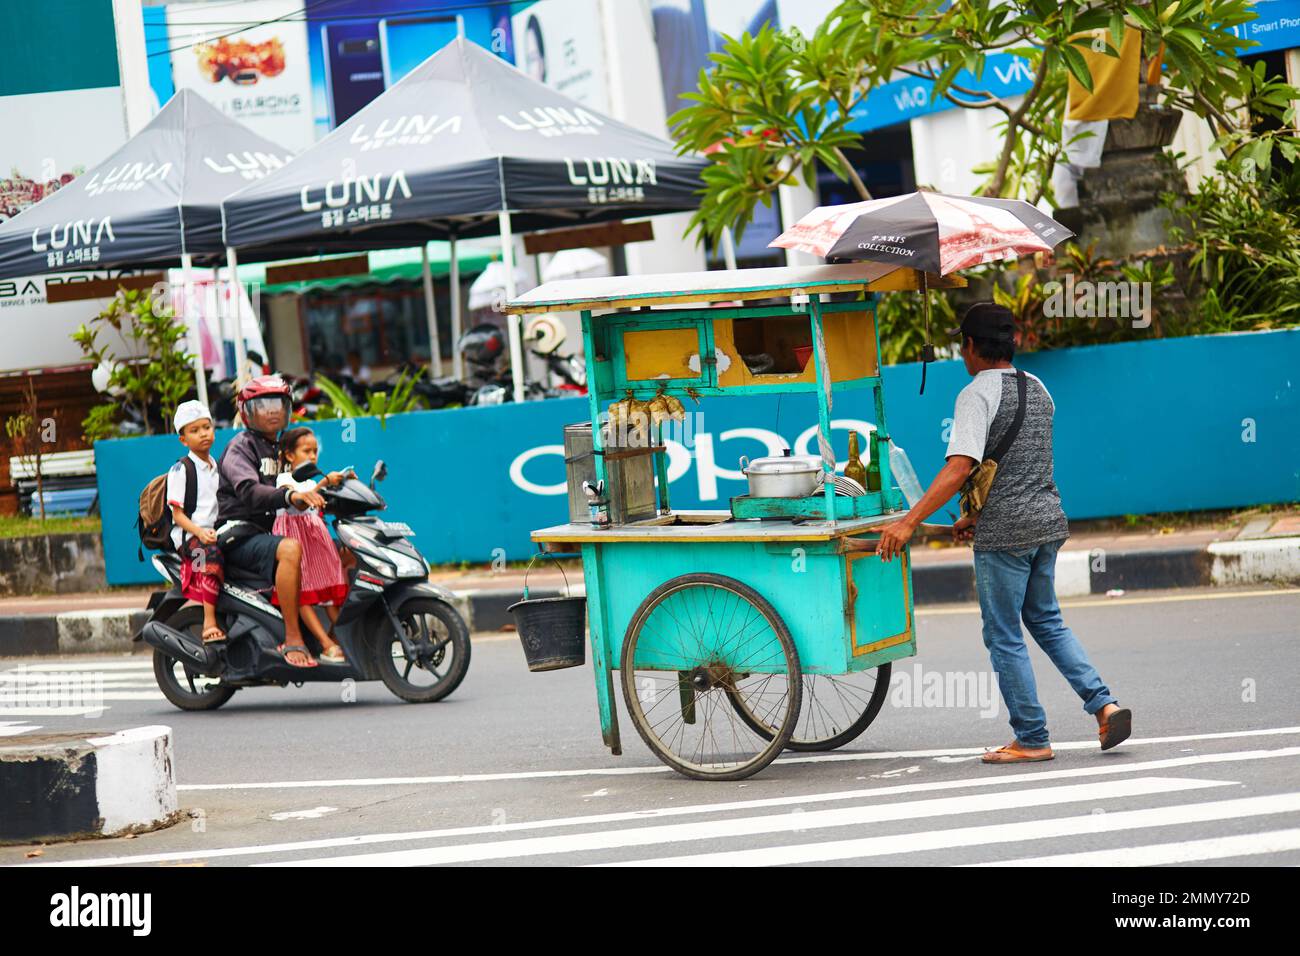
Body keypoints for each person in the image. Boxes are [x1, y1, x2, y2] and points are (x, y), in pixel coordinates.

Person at [877, 302, 1131, 763]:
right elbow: (1015, 465)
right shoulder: (1038, 388)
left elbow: (959, 468)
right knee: (1047, 622)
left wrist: (907, 521)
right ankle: (1104, 705)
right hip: (1047, 522)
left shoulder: (975, 395)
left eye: (963, 344)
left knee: (1003, 635)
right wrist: (974, 515)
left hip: (1007, 534)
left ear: (971, 346)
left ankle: (1032, 737)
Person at [215, 375, 319, 668]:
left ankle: (328, 637)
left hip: (262, 533)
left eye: (278, 404)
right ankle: (293, 638)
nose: (272, 411)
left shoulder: (276, 447)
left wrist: (330, 485)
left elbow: (296, 477)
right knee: (290, 549)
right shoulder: (241, 447)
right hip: (237, 534)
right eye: (262, 405)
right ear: (247, 412)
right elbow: (250, 491)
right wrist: (288, 497)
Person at [274, 426, 350, 663]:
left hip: (316, 539)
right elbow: (299, 502)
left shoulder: (310, 480)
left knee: (329, 585)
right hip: (294, 538)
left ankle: (341, 636)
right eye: (306, 451)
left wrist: (343, 481)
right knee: (304, 592)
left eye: (315, 451)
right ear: (289, 455)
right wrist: (325, 482)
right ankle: (326, 643)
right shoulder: (285, 479)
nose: (312, 456)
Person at [168, 401, 224, 643]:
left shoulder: (217, 466)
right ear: (183, 439)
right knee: (208, 556)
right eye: (195, 430)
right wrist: (200, 533)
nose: (204, 434)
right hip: (190, 536)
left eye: (207, 427)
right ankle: (209, 620)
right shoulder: (181, 469)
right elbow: (177, 515)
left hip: (216, 531)